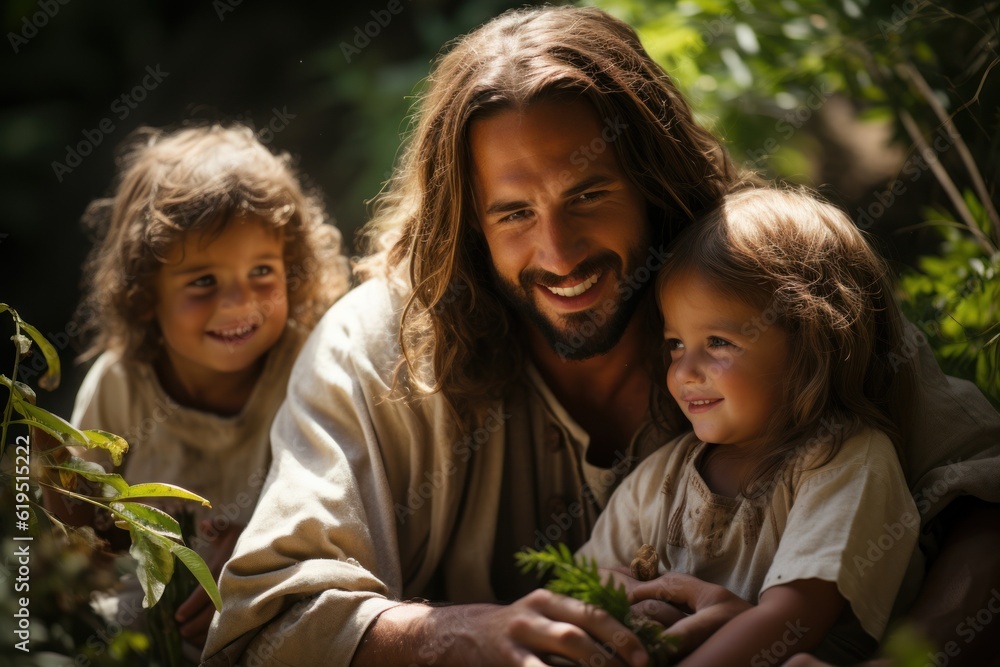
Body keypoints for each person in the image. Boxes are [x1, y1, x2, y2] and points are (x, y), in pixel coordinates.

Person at [203, 6, 1000, 666]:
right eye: (514, 213)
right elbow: (265, 619)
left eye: (588, 192)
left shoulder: (781, 288)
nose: (558, 252)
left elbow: (986, 486)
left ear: (654, 182)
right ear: (470, 228)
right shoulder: (376, 352)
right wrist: (462, 634)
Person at [576, 185, 924, 665]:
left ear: (810, 346)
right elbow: (574, 591)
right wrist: (607, 590)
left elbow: (793, 618)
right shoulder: (659, 479)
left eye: (718, 341)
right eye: (675, 343)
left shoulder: (843, 461)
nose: (684, 370)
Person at [52, 124, 349, 660]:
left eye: (262, 271)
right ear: (145, 293)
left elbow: (341, 503)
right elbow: (75, 523)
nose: (239, 303)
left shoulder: (308, 365)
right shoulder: (121, 385)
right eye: (203, 281)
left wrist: (262, 550)